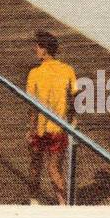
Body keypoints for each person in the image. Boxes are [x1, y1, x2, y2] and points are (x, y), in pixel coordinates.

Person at [25, 31, 78, 205]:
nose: (35, 49)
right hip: (59, 128)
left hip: (40, 129)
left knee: (35, 165)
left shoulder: (34, 73)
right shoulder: (68, 70)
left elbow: (33, 106)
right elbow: (75, 97)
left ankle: (34, 200)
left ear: (45, 49)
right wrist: (74, 119)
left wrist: (30, 130)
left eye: (38, 46)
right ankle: (63, 204)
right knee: (55, 169)